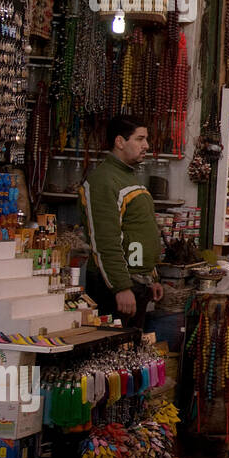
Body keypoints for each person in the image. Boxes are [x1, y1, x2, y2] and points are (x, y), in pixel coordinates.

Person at [79, 115, 164, 328]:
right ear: (120, 142)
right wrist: (121, 287)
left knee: (132, 351)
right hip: (115, 288)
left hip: (136, 283)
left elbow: (137, 230)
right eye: (140, 139)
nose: (146, 145)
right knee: (114, 353)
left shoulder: (127, 177)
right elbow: (105, 242)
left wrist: (150, 276)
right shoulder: (103, 181)